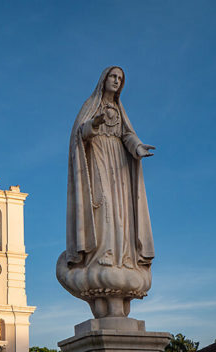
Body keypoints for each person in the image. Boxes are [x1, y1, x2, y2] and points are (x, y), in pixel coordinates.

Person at [57, 66, 157, 318]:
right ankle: (103, 254)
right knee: (104, 209)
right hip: (98, 160)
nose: (116, 80)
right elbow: (80, 134)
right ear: (103, 79)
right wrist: (93, 124)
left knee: (122, 213)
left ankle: (122, 256)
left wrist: (138, 148)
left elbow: (127, 136)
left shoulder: (121, 112)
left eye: (120, 78)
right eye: (113, 76)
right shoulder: (91, 105)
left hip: (119, 168)